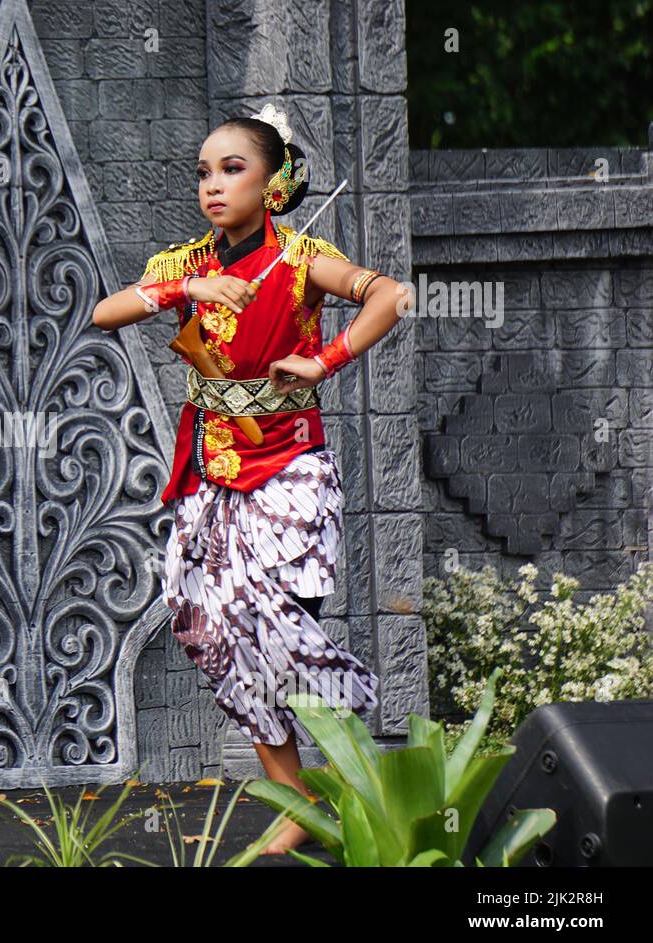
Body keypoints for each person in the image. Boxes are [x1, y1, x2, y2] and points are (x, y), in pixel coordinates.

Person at [92, 104, 408, 856]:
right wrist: (187, 294)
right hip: (212, 480)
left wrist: (323, 361)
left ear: (274, 185)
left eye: (232, 169)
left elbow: (392, 294)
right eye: (203, 171)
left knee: (278, 633)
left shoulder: (301, 256)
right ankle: (301, 797)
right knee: (214, 630)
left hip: (288, 474)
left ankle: (355, 764)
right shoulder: (184, 266)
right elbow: (106, 313)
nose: (213, 184)